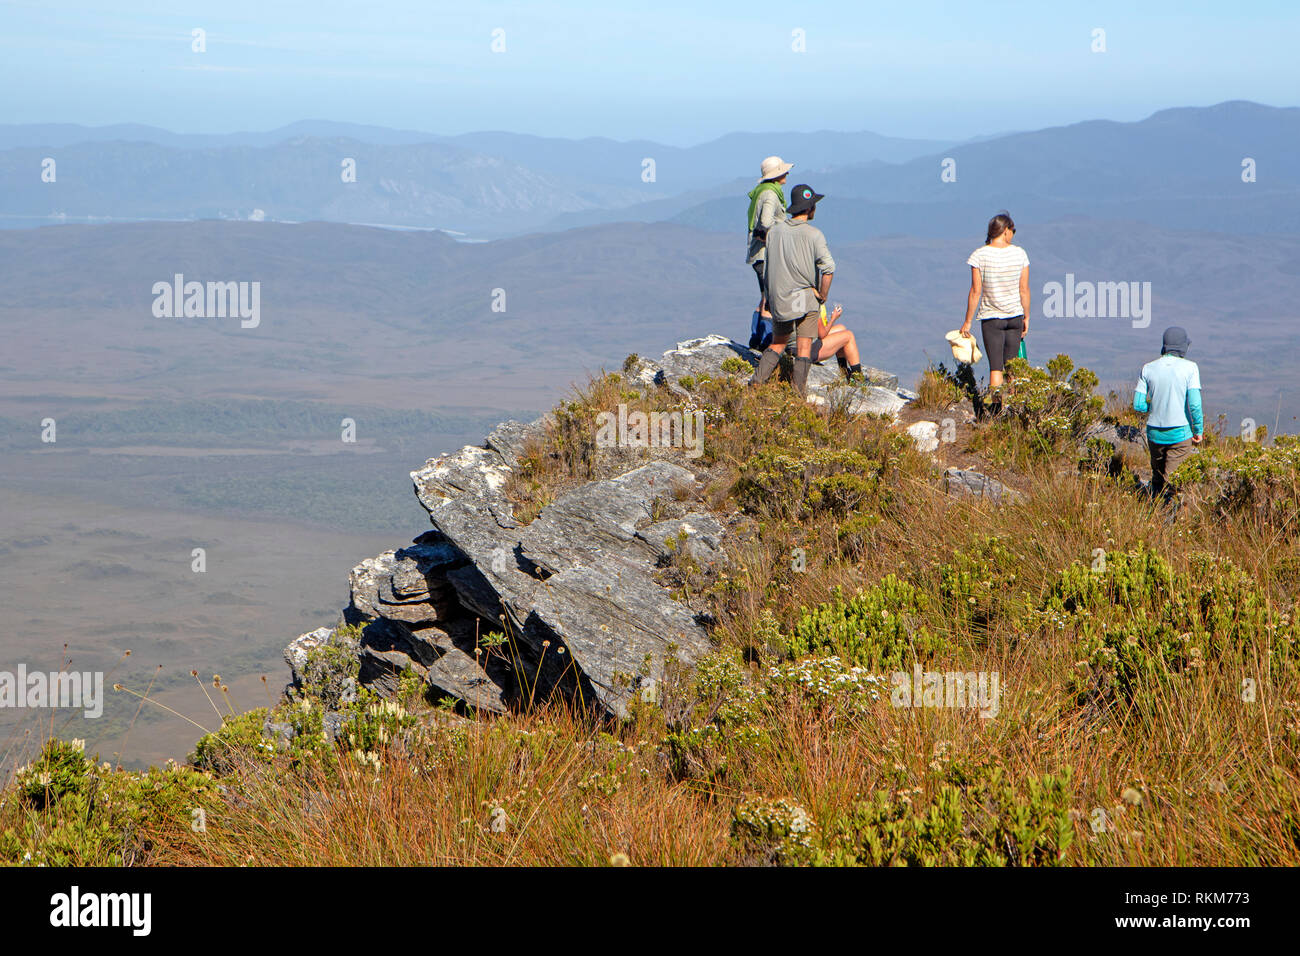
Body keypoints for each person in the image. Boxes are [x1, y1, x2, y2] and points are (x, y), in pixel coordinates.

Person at [750, 184, 837, 397]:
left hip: (779, 297)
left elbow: (768, 266)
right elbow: (828, 269)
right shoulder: (814, 235)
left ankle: (755, 383)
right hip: (804, 299)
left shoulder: (775, 232)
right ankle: (798, 395)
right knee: (804, 347)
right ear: (809, 208)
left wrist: (770, 296)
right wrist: (822, 296)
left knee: (778, 343)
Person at [959, 212, 1030, 414]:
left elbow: (975, 291)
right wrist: (1026, 316)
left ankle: (997, 410)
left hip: (991, 319)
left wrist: (967, 322)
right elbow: (1024, 289)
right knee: (1013, 367)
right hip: (1015, 316)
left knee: (996, 367)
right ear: (1006, 231)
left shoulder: (979, 255)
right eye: (1013, 231)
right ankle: (1016, 410)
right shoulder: (1020, 254)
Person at [1134, 326, 1203, 503]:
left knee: (1157, 479)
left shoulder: (1148, 368)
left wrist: (1157, 404)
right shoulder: (1191, 368)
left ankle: (1153, 512)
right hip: (1180, 434)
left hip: (1154, 433)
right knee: (1174, 483)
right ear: (1183, 347)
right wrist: (1198, 430)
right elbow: (1194, 404)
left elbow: (1138, 405)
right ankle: (1167, 521)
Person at [746, 156, 793, 349]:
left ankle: (755, 339)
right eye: (783, 171)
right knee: (771, 297)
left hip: (759, 255)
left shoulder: (762, 192)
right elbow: (765, 223)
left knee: (765, 294)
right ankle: (765, 342)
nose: (787, 174)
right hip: (767, 254)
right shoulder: (771, 195)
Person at [811, 303, 869, 383]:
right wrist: (833, 319)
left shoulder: (809, 299)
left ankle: (844, 373)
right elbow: (821, 334)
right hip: (808, 350)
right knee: (849, 336)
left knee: (841, 328)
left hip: (809, 341)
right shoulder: (812, 304)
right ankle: (858, 378)